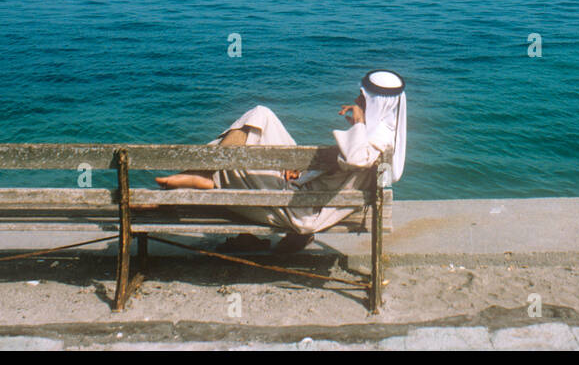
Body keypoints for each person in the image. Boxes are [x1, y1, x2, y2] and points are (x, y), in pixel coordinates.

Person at [155, 71, 407, 251]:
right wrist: (305, 172)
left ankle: (204, 177)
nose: (356, 102)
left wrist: (359, 122)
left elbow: (354, 158)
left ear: (375, 102)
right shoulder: (382, 131)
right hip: (310, 192)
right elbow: (344, 170)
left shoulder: (376, 139)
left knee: (235, 160)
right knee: (261, 114)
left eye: (362, 99)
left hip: (302, 209)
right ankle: (205, 175)